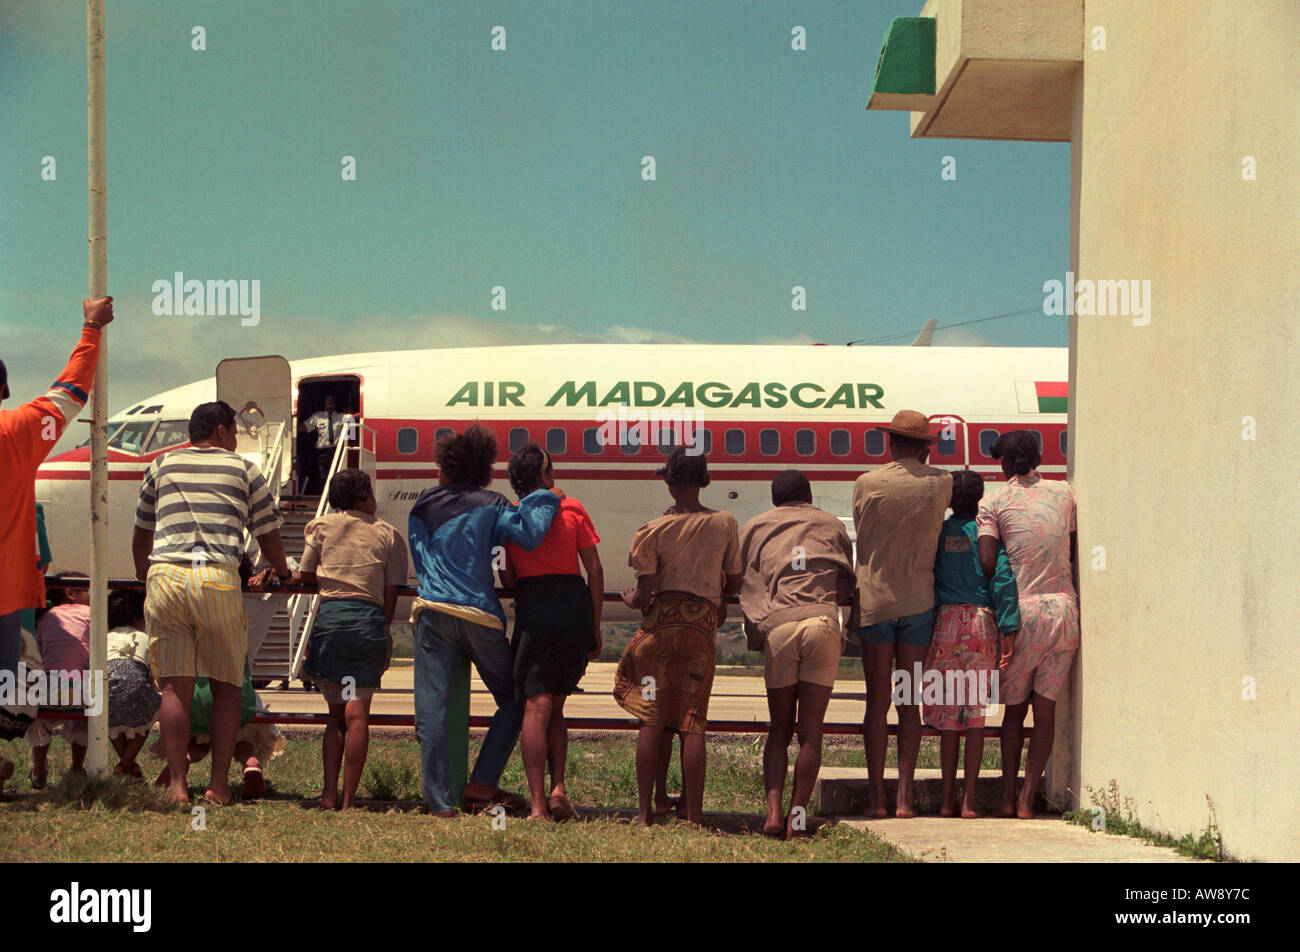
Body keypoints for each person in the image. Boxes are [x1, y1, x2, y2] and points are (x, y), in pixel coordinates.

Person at [132, 400, 298, 805]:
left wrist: (143, 573)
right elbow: (268, 534)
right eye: (235, 432)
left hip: (166, 574)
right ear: (222, 430)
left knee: (174, 688)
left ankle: (177, 785)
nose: (237, 440)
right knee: (226, 687)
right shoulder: (242, 468)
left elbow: (142, 530)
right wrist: (285, 572)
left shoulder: (162, 465)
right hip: (216, 579)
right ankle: (219, 785)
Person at [407, 425, 560, 817]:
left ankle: (441, 803)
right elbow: (529, 535)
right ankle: (482, 783)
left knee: (432, 713)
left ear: (445, 468)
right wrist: (545, 496)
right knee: (513, 701)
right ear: (483, 469)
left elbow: (421, 557)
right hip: (480, 616)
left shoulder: (422, 506)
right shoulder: (493, 502)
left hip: (433, 614)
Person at [0, 296, 112, 792]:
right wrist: (90, 329)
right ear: (3, 388)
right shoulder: (17, 432)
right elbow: (69, 395)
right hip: (5, 592)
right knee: (8, 688)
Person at [614, 447, 742, 826]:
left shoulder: (652, 530)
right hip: (699, 632)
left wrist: (629, 599)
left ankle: (644, 812)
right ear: (703, 480)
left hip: (657, 636)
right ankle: (694, 816)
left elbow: (642, 596)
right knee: (692, 721)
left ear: (669, 482)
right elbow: (734, 579)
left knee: (652, 720)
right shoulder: (724, 523)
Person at [738, 470, 855, 838]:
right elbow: (845, 580)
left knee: (779, 729)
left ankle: (772, 815)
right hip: (821, 622)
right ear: (809, 496)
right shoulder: (830, 523)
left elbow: (740, 575)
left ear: (774, 499)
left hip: (780, 626)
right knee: (810, 734)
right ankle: (797, 820)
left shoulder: (755, 526)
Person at [851, 409, 952, 819]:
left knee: (877, 702)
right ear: (926, 449)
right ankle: (906, 799)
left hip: (875, 600)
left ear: (890, 443)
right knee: (908, 701)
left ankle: (876, 798)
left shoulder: (868, 483)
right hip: (918, 601)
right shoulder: (941, 483)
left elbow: (862, 529)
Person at [977, 430, 1079, 819]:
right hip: (1064, 612)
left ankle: (1005, 795)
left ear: (1004, 463)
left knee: (1014, 712)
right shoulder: (1064, 494)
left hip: (1023, 615)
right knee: (1045, 710)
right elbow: (1067, 542)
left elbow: (987, 558)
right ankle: (1027, 799)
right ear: (1038, 457)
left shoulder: (994, 500)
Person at [499, 445, 604, 821]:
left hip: (535, 607)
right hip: (572, 607)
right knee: (557, 705)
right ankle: (560, 788)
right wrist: (594, 625)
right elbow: (594, 570)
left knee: (535, 706)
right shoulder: (572, 509)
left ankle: (539, 804)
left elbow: (508, 578)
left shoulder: (511, 519)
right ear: (545, 474)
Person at [299, 469, 408, 810]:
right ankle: (349, 799)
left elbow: (305, 573)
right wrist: (380, 627)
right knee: (357, 714)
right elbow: (391, 592)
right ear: (364, 497)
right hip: (366, 624)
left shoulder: (321, 528)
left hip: (331, 621)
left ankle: (328, 794)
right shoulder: (387, 535)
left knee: (335, 717)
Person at [924, 471, 1020, 818]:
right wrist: (1009, 627)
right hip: (981, 625)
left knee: (950, 718)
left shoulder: (939, 532)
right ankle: (969, 802)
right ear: (981, 498)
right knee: (975, 717)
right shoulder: (985, 532)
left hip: (946, 621)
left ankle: (947, 800)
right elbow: (1003, 577)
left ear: (949, 498)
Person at [25, 577, 92, 787]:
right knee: (85, 719)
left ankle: (38, 769)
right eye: (88, 591)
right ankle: (76, 767)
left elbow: (39, 654)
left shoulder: (45, 619)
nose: (93, 595)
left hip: (48, 690)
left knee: (40, 719)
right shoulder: (91, 615)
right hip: (79, 691)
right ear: (70, 594)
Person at [105, 588, 162, 779]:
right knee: (152, 711)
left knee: (109, 720)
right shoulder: (147, 639)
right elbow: (150, 679)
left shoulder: (102, 638)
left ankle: (126, 763)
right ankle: (125, 763)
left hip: (102, 691)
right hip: (136, 683)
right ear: (140, 619)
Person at [299, 395, 348, 494]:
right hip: (322, 452)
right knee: (322, 476)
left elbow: (354, 417)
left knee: (336, 473)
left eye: (331, 403)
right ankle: (323, 495)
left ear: (335, 405)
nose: (329, 405)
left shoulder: (340, 417)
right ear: (324, 404)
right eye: (327, 403)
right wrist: (291, 430)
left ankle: (334, 495)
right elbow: (304, 426)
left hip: (335, 450)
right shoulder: (318, 416)